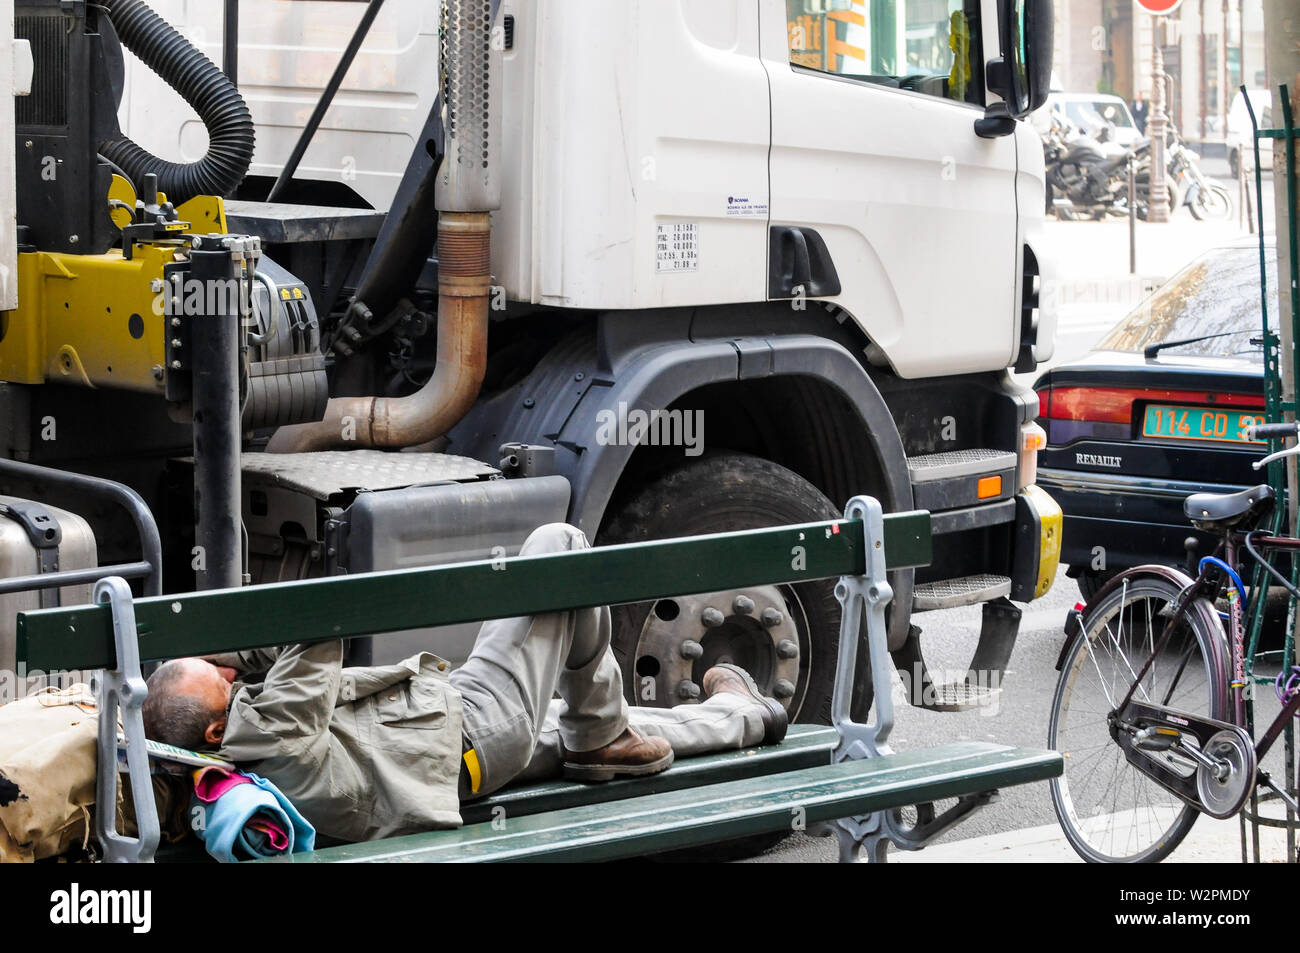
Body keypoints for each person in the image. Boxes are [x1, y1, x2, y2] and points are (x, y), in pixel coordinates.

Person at [141, 523, 790, 844]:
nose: (232, 672)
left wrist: (201, 676)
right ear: (218, 727)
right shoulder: (273, 732)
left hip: (454, 763)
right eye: (221, 678)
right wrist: (224, 640)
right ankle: (600, 731)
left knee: (602, 725)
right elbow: (317, 621)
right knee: (558, 548)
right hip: (477, 726)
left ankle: (743, 715)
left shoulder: (226, 749)